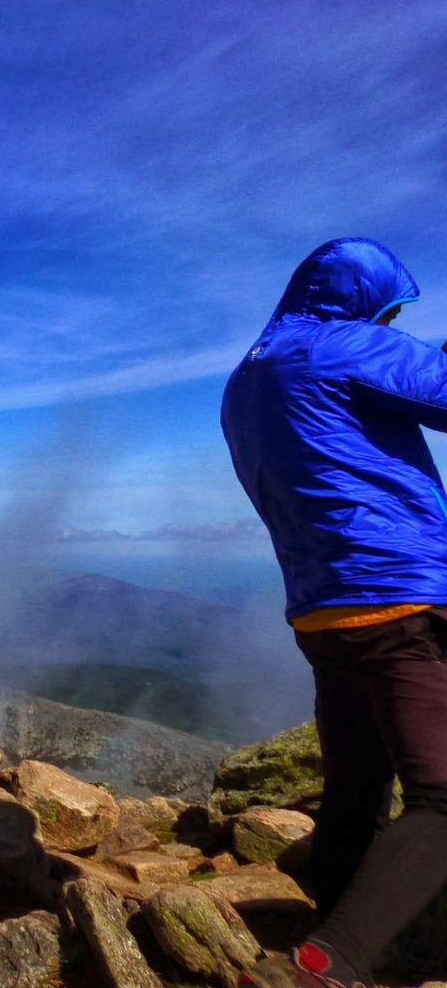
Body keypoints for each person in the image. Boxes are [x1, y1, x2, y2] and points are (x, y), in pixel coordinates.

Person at [221, 237, 447, 988]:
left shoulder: (244, 379)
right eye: (388, 311)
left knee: (355, 790)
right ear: (360, 300)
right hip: (401, 598)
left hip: (322, 612)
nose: (391, 326)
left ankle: (331, 932)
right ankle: (325, 966)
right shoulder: (340, 346)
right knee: (442, 799)